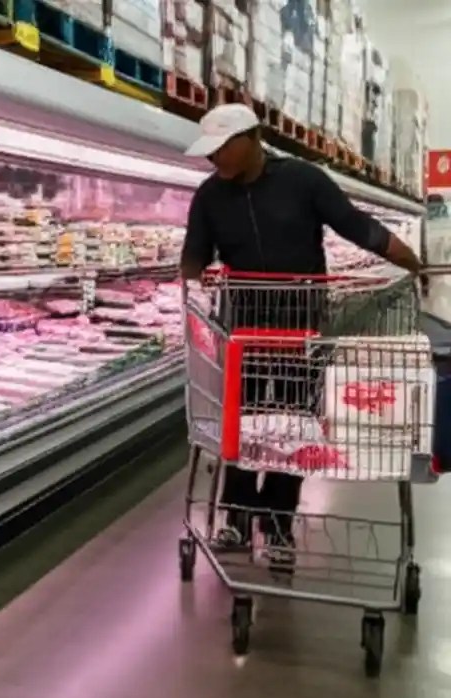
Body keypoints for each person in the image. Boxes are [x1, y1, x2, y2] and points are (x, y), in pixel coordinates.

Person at [180, 104, 423, 567]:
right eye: (209, 154)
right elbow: (194, 257)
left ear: (252, 138)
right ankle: (235, 513)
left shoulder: (304, 180)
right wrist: (192, 294)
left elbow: (360, 229)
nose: (215, 161)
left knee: (293, 424)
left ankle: (276, 523)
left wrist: (415, 264)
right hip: (242, 330)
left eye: (222, 150)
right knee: (241, 421)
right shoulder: (209, 196)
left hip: (301, 326)